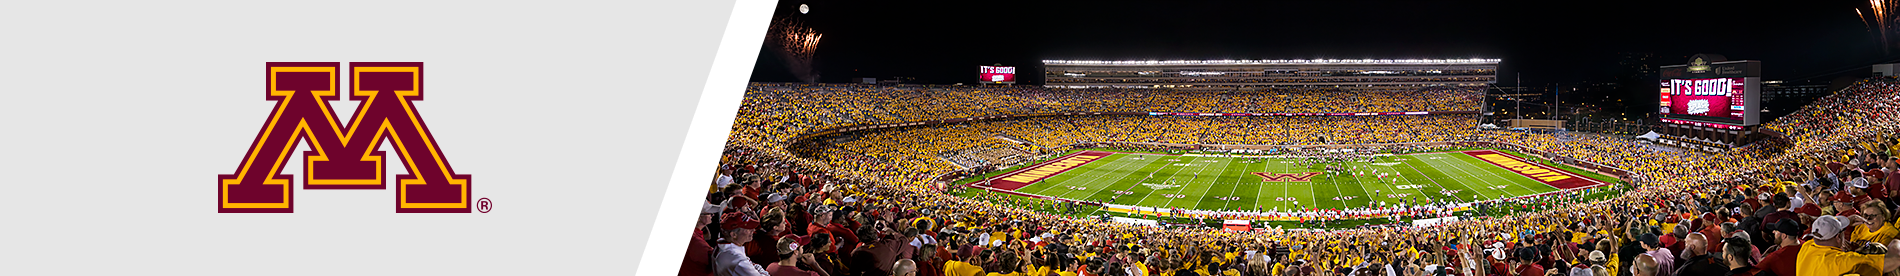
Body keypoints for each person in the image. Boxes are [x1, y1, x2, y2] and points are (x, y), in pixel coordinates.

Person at [1791, 215, 1889, 276]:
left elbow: (1824, 231)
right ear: (1838, 237)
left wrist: (1847, 221)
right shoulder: (1841, 261)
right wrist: (1895, 242)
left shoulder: (1807, 246)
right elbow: (1891, 261)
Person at [768, 236, 833, 276]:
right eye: (802, 247)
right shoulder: (809, 275)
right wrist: (814, 264)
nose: (803, 249)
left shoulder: (770, 267)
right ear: (796, 252)